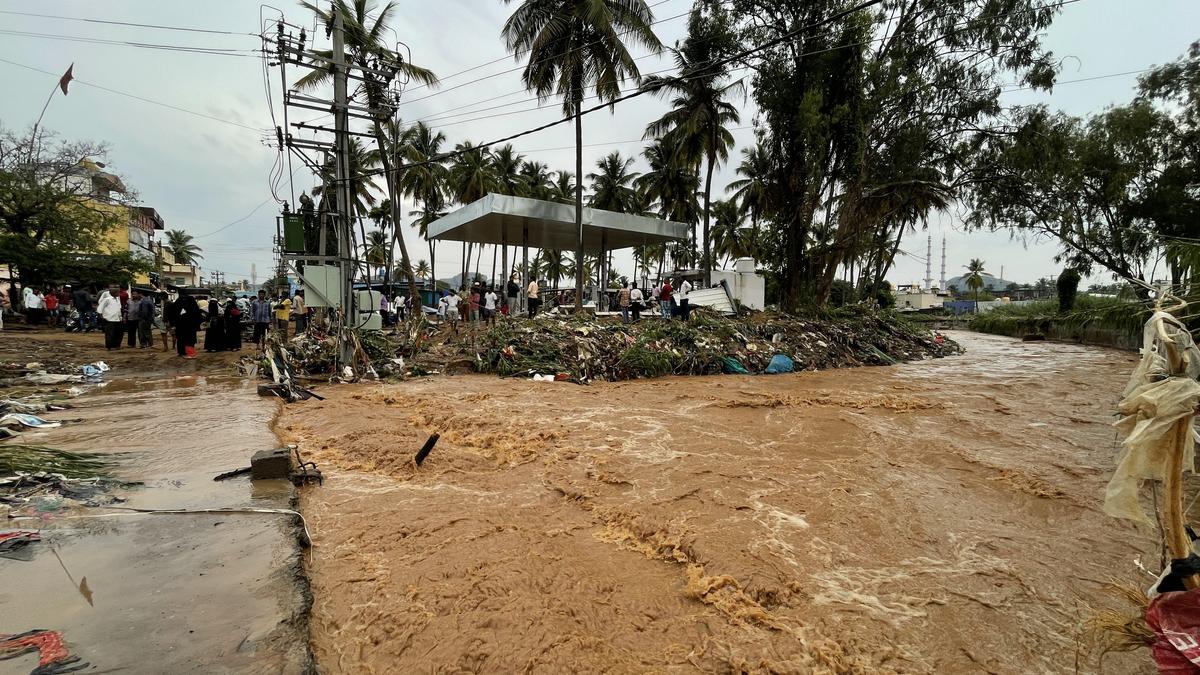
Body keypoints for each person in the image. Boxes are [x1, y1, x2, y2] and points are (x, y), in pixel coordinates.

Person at [173, 293, 202, 358]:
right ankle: (189, 353)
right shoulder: (192, 304)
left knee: (181, 339)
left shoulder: (178, 303)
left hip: (181, 326)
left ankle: (182, 352)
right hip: (190, 326)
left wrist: (174, 323)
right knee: (190, 340)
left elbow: (173, 314)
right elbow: (197, 315)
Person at [97, 285, 123, 350]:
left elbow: (119, 308)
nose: (119, 294)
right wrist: (102, 316)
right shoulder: (107, 300)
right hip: (109, 319)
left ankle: (116, 345)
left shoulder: (117, 299)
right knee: (109, 333)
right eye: (117, 293)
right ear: (114, 293)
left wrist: (120, 317)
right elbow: (100, 308)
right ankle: (109, 346)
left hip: (118, 319)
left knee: (118, 333)